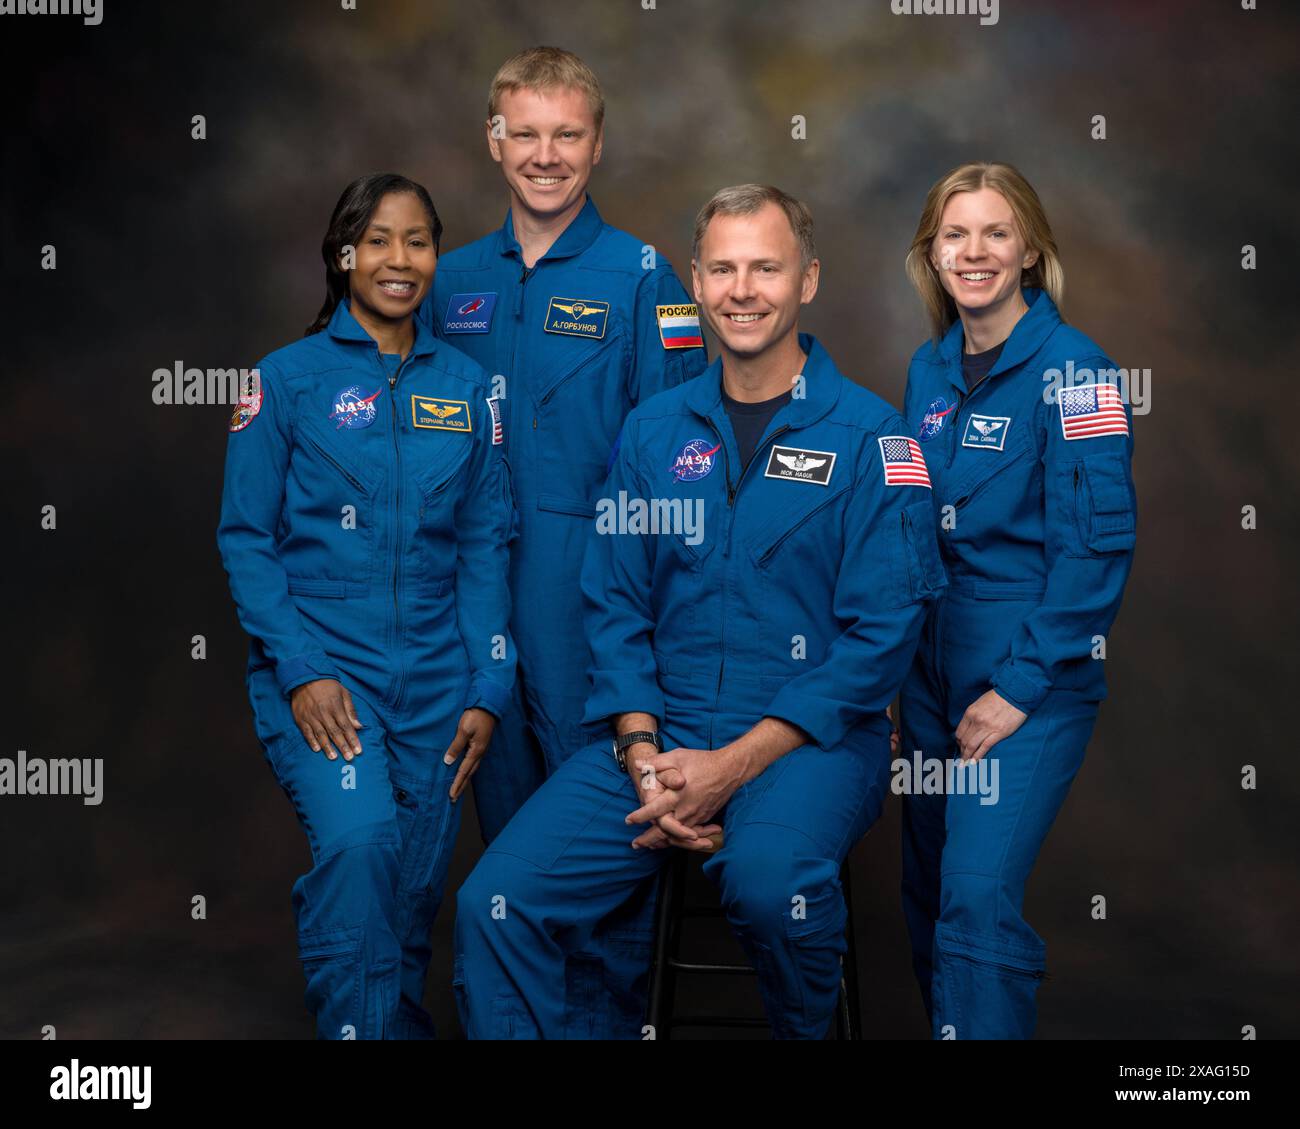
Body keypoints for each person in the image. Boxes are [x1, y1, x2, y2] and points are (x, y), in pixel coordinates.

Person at [452, 184, 945, 1039]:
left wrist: (736, 764)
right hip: (663, 735)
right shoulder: (651, 433)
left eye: (765, 267)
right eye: (722, 268)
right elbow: (614, 605)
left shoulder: (875, 438)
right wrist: (643, 751)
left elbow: (881, 638)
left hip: (812, 742)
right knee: (495, 904)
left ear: (809, 279)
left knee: (767, 879)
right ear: (696, 278)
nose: (742, 289)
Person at [419, 46, 707, 1036]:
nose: (546, 155)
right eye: (526, 133)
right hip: (472, 615)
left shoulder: (643, 279)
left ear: (597, 143)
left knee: (603, 864)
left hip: (595, 616)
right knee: (504, 857)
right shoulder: (445, 280)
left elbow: (682, 477)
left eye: (567, 134)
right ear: (494, 140)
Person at [217, 173, 515, 1039]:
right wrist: (302, 670)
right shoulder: (285, 381)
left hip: (438, 680)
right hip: (323, 670)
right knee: (360, 850)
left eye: (418, 240)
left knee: (414, 891)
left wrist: (488, 687)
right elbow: (246, 539)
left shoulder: (467, 391)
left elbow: (485, 546)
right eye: (377, 239)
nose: (399, 258)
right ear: (343, 254)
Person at [897, 161, 1137, 1039]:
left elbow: (1096, 549)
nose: (975, 251)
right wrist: (894, 677)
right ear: (933, 252)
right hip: (927, 680)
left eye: (996, 232)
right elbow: (910, 531)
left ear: (1030, 249)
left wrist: (1018, 686)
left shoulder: (1079, 373)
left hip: (1027, 680)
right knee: (924, 898)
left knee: (973, 898)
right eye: (956, 233)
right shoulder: (927, 370)